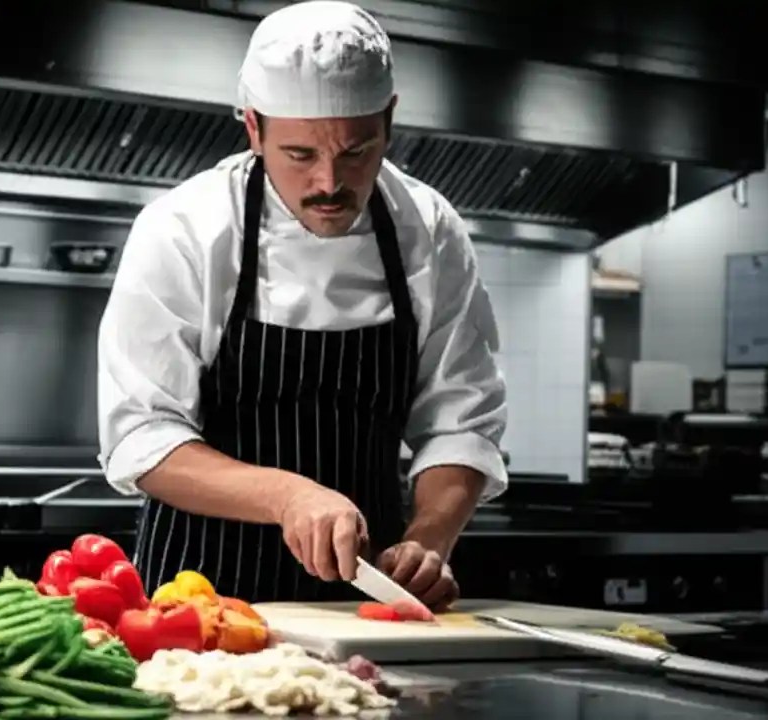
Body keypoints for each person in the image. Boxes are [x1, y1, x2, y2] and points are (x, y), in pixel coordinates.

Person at [96, 1, 507, 609]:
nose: (328, 184)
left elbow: (461, 424)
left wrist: (427, 542)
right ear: (253, 127)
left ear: (389, 120)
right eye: (300, 154)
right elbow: (142, 437)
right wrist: (288, 496)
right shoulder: (184, 229)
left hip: (366, 603)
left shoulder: (429, 230)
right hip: (199, 604)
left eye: (356, 151)